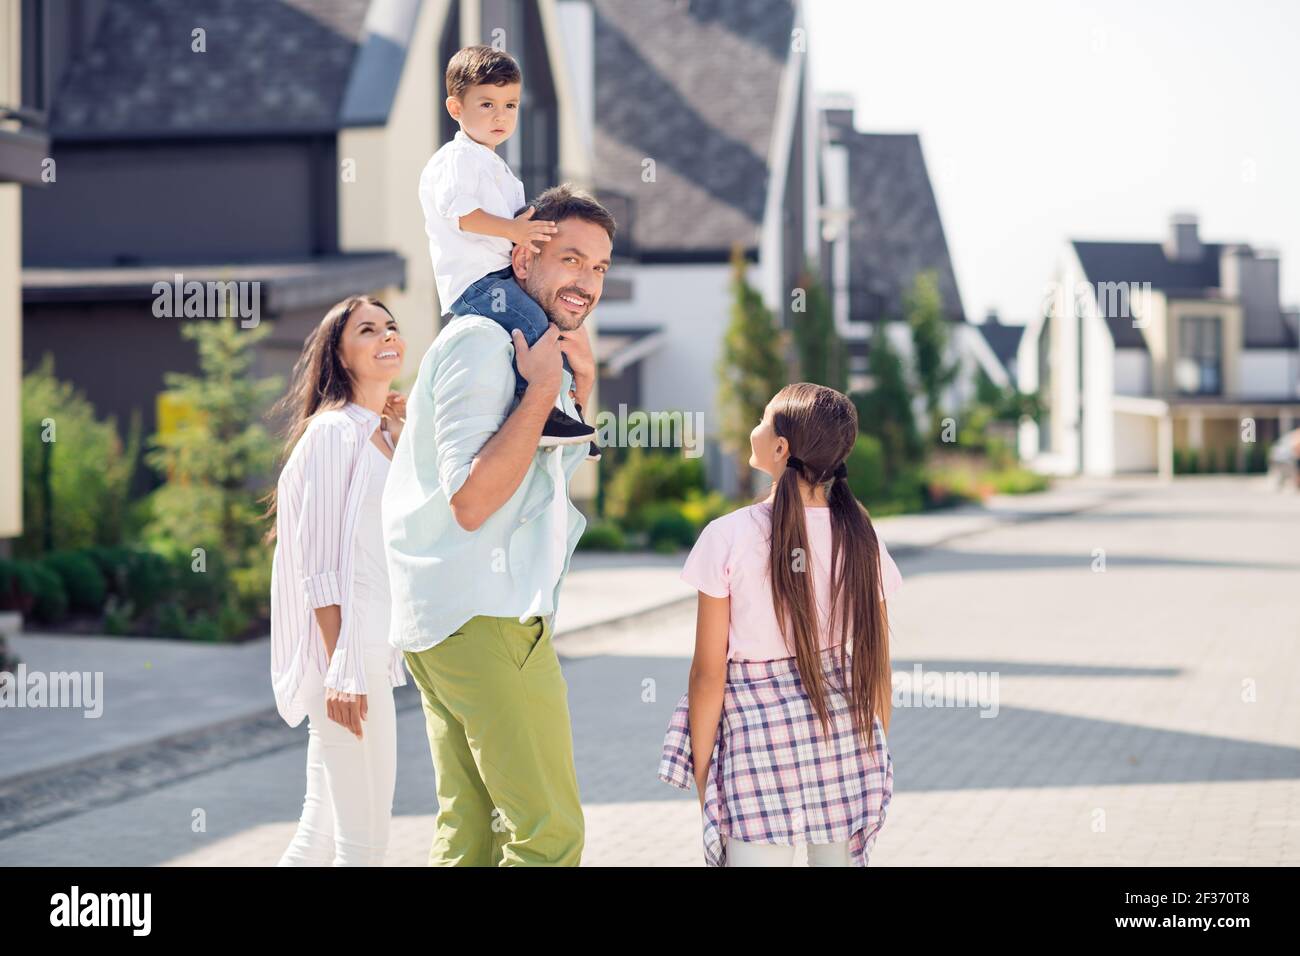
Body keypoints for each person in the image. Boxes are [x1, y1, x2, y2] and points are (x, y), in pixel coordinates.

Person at [384, 184, 615, 866]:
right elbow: (472, 499)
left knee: (472, 833)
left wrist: (568, 389)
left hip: (457, 616)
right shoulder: (484, 344)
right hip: (486, 619)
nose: (587, 282)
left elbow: (526, 482)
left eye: (600, 268)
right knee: (548, 836)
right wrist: (544, 389)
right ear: (522, 258)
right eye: (570, 259)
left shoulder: (528, 350)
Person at [658, 383, 902, 867]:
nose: (754, 427)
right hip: (845, 738)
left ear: (780, 447)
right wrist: (873, 745)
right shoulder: (859, 533)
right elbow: (877, 666)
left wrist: (706, 779)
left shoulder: (727, 536)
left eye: (762, 419)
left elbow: (709, 675)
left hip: (756, 741)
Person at [265, 295, 410, 866]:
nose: (386, 336)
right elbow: (320, 566)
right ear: (341, 356)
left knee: (321, 836)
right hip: (347, 658)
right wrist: (341, 665)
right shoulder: (332, 434)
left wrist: (399, 433)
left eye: (391, 326)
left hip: (369, 648)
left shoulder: (378, 432)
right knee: (365, 845)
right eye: (367, 330)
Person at [419, 44, 598, 458]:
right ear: (455, 107)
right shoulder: (458, 159)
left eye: (510, 105)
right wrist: (516, 230)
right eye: (487, 104)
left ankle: (566, 412)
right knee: (534, 323)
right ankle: (537, 416)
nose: (500, 116)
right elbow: (463, 215)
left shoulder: (493, 164)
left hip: (498, 277)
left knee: (563, 329)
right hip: (477, 282)